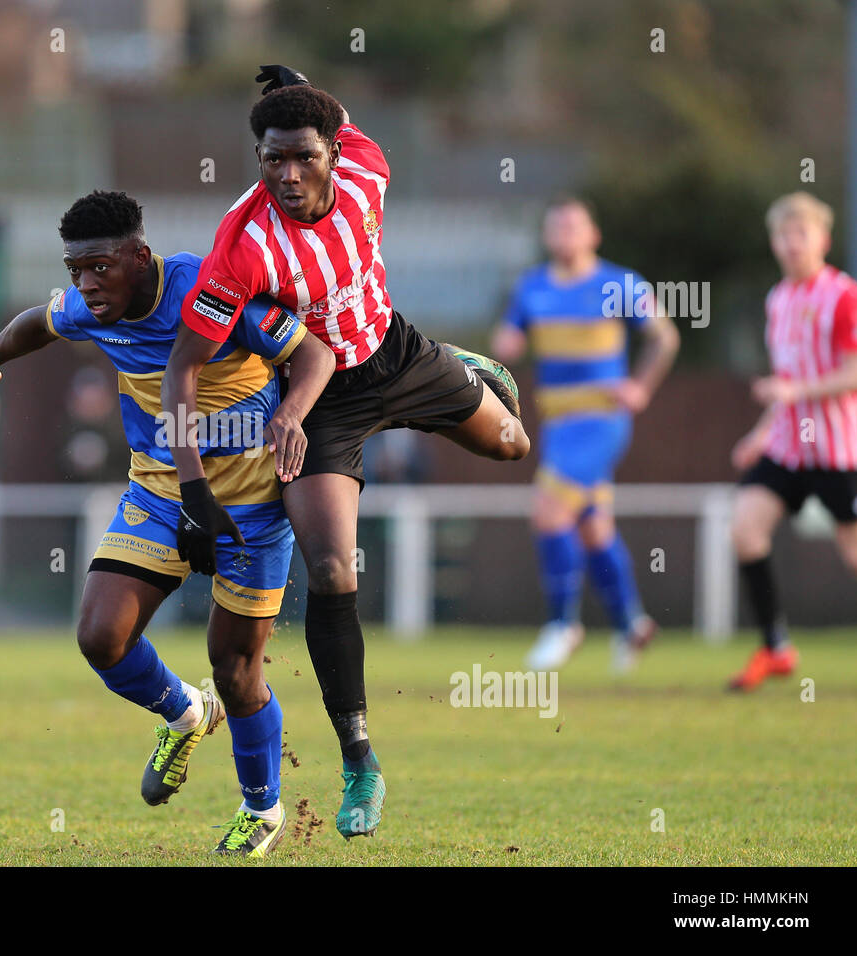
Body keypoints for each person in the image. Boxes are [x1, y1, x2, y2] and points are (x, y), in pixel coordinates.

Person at [163, 66, 529, 841]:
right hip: (318, 402)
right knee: (332, 570)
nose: (289, 176)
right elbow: (185, 366)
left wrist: (300, 83)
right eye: (272, 161)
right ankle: (361, 761)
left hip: (397, 353)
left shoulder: (370, 168)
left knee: (511, 446)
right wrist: (202, 481)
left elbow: (342, 115)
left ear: (335, 152)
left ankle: (463, 370)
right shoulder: (242, 247)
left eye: (304, 157)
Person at [0, 190, 336, 856]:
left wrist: (291, 415)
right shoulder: (91, 305)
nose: (85, 282)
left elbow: (314, 355)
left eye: (100, 266)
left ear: (140, 256)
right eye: (74, 268)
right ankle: (184, 714)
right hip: (161, 495)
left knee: (235, 670)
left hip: (249, 504)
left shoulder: (212, 291)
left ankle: (263, 809)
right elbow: (35, 322)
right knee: (99, 637)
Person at [491, 196, 680, 673]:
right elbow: (507, 338)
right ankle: (631, 625)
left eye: (574, 226)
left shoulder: (618, 283)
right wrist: (505, 344)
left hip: (600, 422)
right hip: (556, 423)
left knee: (549, 512)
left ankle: (562, 625)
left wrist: (640, 386)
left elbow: (665, 336)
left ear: (593, 234)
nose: (565, 234)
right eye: (556, 226)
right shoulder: (532, 286)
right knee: (594, 528)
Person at [727, 192, 857, 690]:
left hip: (837, 450)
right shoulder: (777, 300)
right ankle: (775, 647)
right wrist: (759, 433)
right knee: (745, 529)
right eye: (782, 235)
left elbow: (855, 372)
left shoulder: (844, 296)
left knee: (853, 554)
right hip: (788, 446)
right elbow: (786, 379)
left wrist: (795, 391)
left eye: (800, 234)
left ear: (822, 239)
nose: (790, 244)